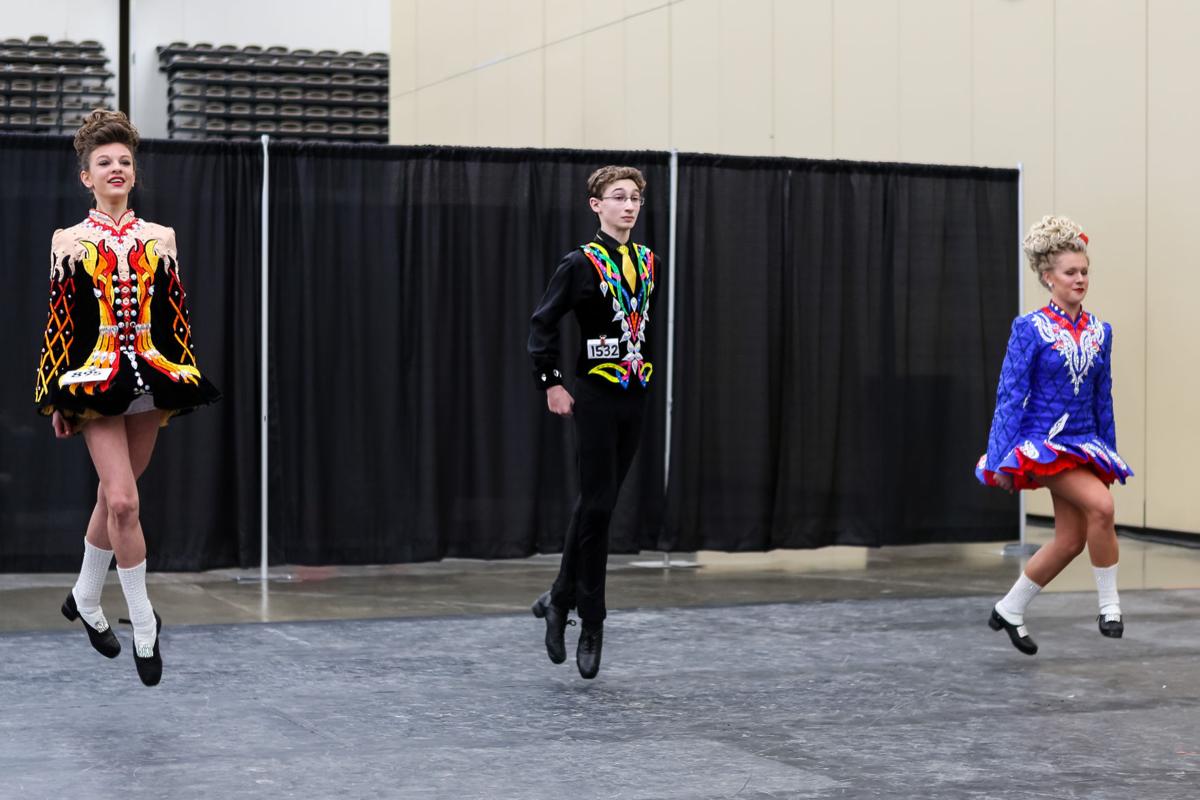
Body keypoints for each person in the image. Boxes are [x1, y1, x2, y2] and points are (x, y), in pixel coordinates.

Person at [35, 109, 220, 685]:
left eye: (124, 162)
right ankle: (144, 618)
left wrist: (179, 376)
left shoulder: (160, 238)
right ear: (85, 177)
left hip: (152, 377)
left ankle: (86, 595)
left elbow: (174, 315)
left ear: (133, 173)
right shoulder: (69, 240)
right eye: (103, 162)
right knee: (122, 504)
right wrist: (56, 400)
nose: (116, 169)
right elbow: (60, 323)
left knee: (116, 499)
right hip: (94, 379)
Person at [527, 165, 661, 679]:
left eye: (635, 199)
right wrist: (552, 384)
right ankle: (593, 619)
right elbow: (541, 326)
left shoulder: (647, 260)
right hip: (596, 396)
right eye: (618, 197)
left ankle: (559, 598)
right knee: (599, 507)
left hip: (635, 394)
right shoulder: (580, 263)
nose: (629, 206)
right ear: (595, 206)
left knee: (596, 505)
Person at [977, 215, 1132, 656]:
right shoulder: (1029, 329)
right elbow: (1009, 394)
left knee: (1070, 539)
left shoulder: (1102, 332)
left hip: (1086, 443)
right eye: (1071, 272)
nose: (1080, 279)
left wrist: (1110, 456)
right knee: (1101, 507)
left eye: (1084, 271)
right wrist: (1000, 457)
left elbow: (1104, 400)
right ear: (1048, 278)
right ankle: (1110, 606)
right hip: (1044, 444)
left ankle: (1009, 609)